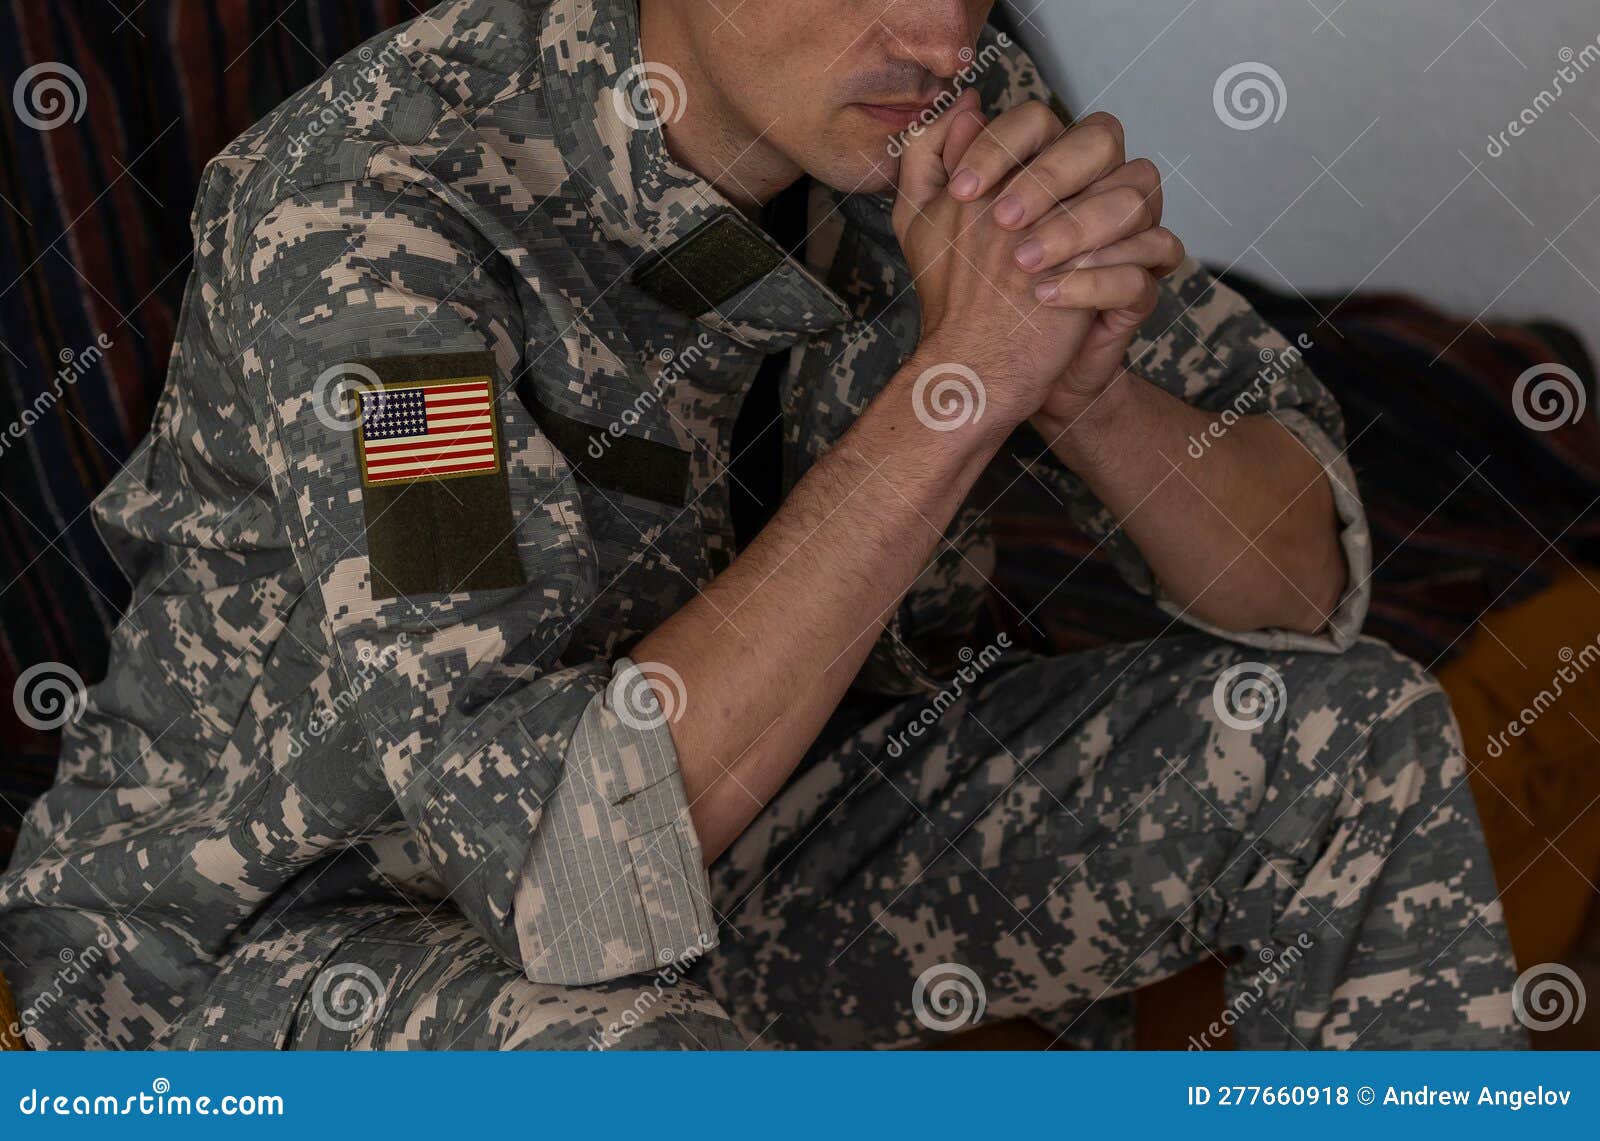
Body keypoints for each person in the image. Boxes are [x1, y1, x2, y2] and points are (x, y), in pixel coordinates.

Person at [0, 0, 1521, 1050]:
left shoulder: (942, 108)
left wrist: (1081, 392)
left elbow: (1303, 590)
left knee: (1350, 741)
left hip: (748, 851)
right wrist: (954, 389)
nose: (934, 36)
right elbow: (555, 874)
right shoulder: (379, 221)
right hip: (271, 950)